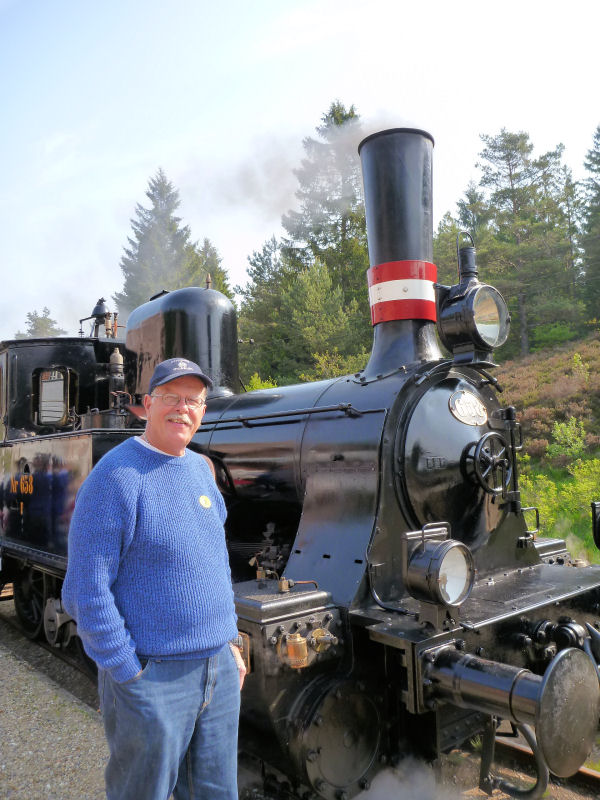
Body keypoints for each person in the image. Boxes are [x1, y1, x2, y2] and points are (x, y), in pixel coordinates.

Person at [62, 357, 245, 800]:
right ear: (146, 405)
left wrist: (232, 642)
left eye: (193, 400)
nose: (183, 409)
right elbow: (85, 590)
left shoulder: (201, 470)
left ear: (203, 410)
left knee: (216, 793)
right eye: (171, 398)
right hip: (153, 675)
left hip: (217, 670)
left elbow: (215, 562)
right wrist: (128, 672)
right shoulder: (115, 478)